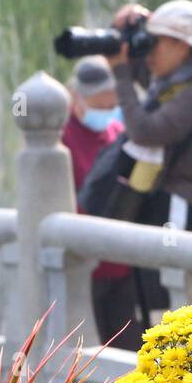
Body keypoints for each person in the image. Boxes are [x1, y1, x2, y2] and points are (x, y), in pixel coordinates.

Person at [87, 0, 192, 349]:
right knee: (149, 298)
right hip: (158, 203)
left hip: (176, 207)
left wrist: (119, 71)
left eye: (157, 42)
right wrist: (125, 33)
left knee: (168, 304)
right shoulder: (174, 82)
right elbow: (140, 76)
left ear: (182, 45)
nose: (150, 52)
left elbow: (144, 129)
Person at [59, 57, 132, 345]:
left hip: (119, 257)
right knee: (86, 347)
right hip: (83, 261)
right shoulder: (62, 136)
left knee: (125, 343)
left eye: (110, 106)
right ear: (77, 98)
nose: (106, 113)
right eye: (99, 107)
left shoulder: (116, 132)